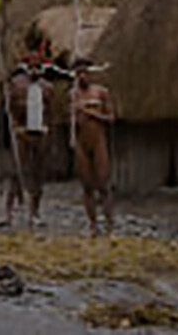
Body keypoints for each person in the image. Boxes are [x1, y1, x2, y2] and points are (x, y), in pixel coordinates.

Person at [3, 54, 52, 228]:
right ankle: (10, 212)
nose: (34, 69)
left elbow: (50, 111)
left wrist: (46, 127)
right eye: (31, 65)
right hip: (21, 132)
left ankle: (35, 212)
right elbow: (9, 110)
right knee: (17, 171)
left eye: (37, 66)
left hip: (40, 132)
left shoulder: (47, 87)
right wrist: (16, 127)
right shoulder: (16, 84)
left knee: (38, 173)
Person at [71, 58, 116, 237]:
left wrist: (91, 113)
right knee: (87, 186)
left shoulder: (101, 93)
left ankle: (110, 225)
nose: (82, 76)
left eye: (85, 72)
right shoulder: (73, 95)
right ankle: (93, 225)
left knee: (103, 184)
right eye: (78, 73)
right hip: (82, 143)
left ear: (90, 73)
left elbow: (111, 118)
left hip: (98, 141)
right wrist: (75, 116)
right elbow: (70, 123)